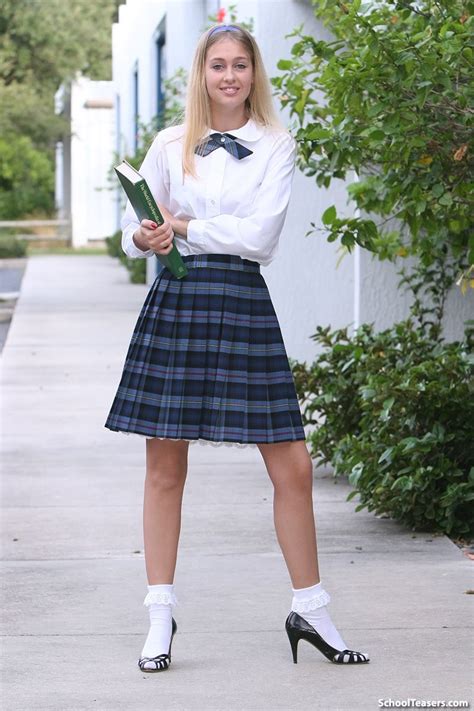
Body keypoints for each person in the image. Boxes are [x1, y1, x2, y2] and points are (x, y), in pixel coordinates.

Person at [105, 23, 370, 672]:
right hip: (180, 299)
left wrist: (186, 225)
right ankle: (160, 616)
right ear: (202, 73)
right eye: (218, 65)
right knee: (165, 465)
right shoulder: (171, 143)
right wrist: (148, 236)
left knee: (294, 465)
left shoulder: (275, 144)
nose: (229, 76)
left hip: (243, 302)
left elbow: (260, 238)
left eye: (240, 65)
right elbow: (136, 224)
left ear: (255, 74)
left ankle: (310, 606)